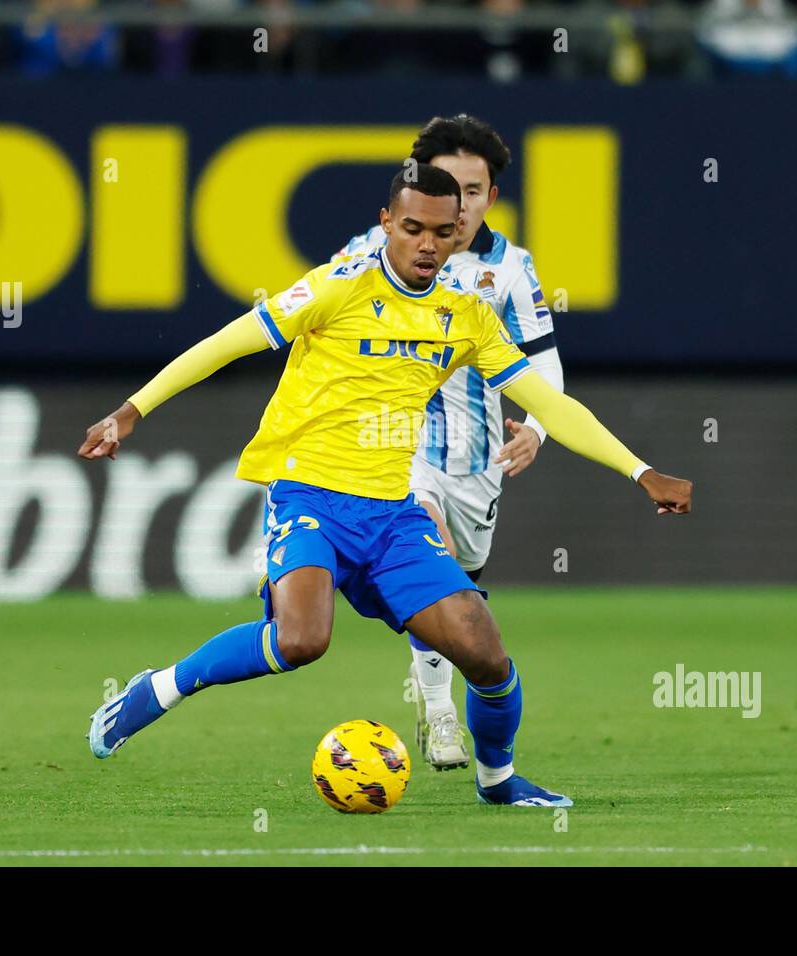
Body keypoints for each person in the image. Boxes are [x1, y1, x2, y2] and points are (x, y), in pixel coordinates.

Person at [78, 165, 693, 808]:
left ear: (460, 234)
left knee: (484, 653)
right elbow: (224, 344)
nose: (427, 245)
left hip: (392, 514)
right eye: (412, 229)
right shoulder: (337, 288)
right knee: (301, 639)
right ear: (386, 226)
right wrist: (130, 411)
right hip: (309, 494)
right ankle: (160, 688)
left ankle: (498, 781)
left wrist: (640, 470)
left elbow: (552, 404)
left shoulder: (467, 319)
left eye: (442, 232)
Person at [334, 115, 563, 772]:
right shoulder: (370, 250)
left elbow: (544, 363)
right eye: (447, 186)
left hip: (479, 459)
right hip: (395, 449)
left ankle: (435, 683)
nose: (459, 205)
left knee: (460, 592)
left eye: (474, 188)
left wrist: (539, 428)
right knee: (425, 560)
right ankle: (439, 716)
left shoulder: (511, 268)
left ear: (491, 196)